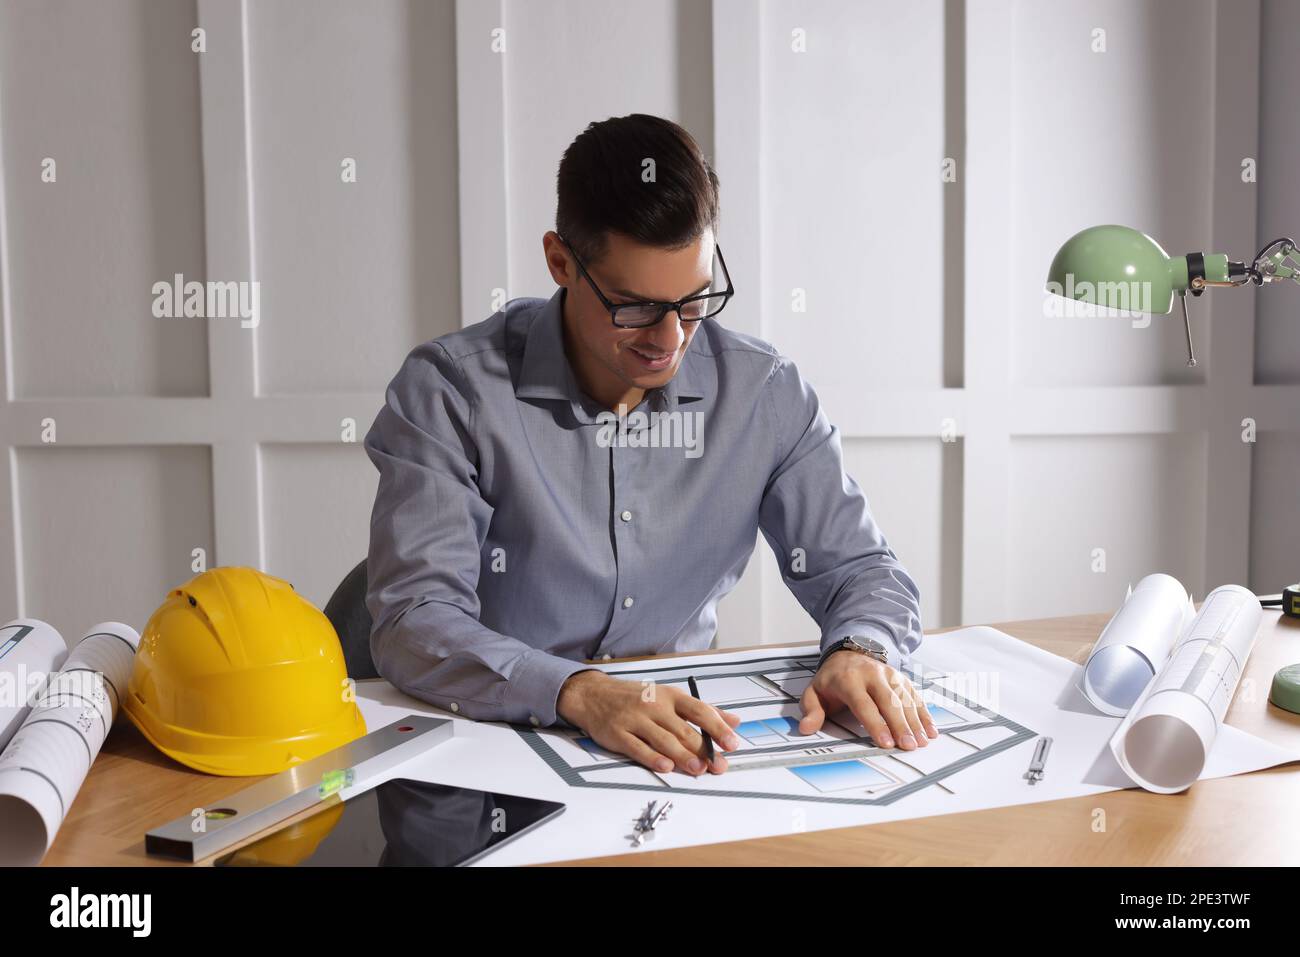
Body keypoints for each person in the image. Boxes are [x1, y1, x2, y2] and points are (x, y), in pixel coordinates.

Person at [365, 113, 934, 778]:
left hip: (674, 747)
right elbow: (414, 619)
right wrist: (574, 689)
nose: (670, 339)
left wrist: (862, 648)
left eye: (694, 301)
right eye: (633, 307)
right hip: (490, 739)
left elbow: (863, 569)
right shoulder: (452, 390)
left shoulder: (764, 393)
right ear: (560, 262)